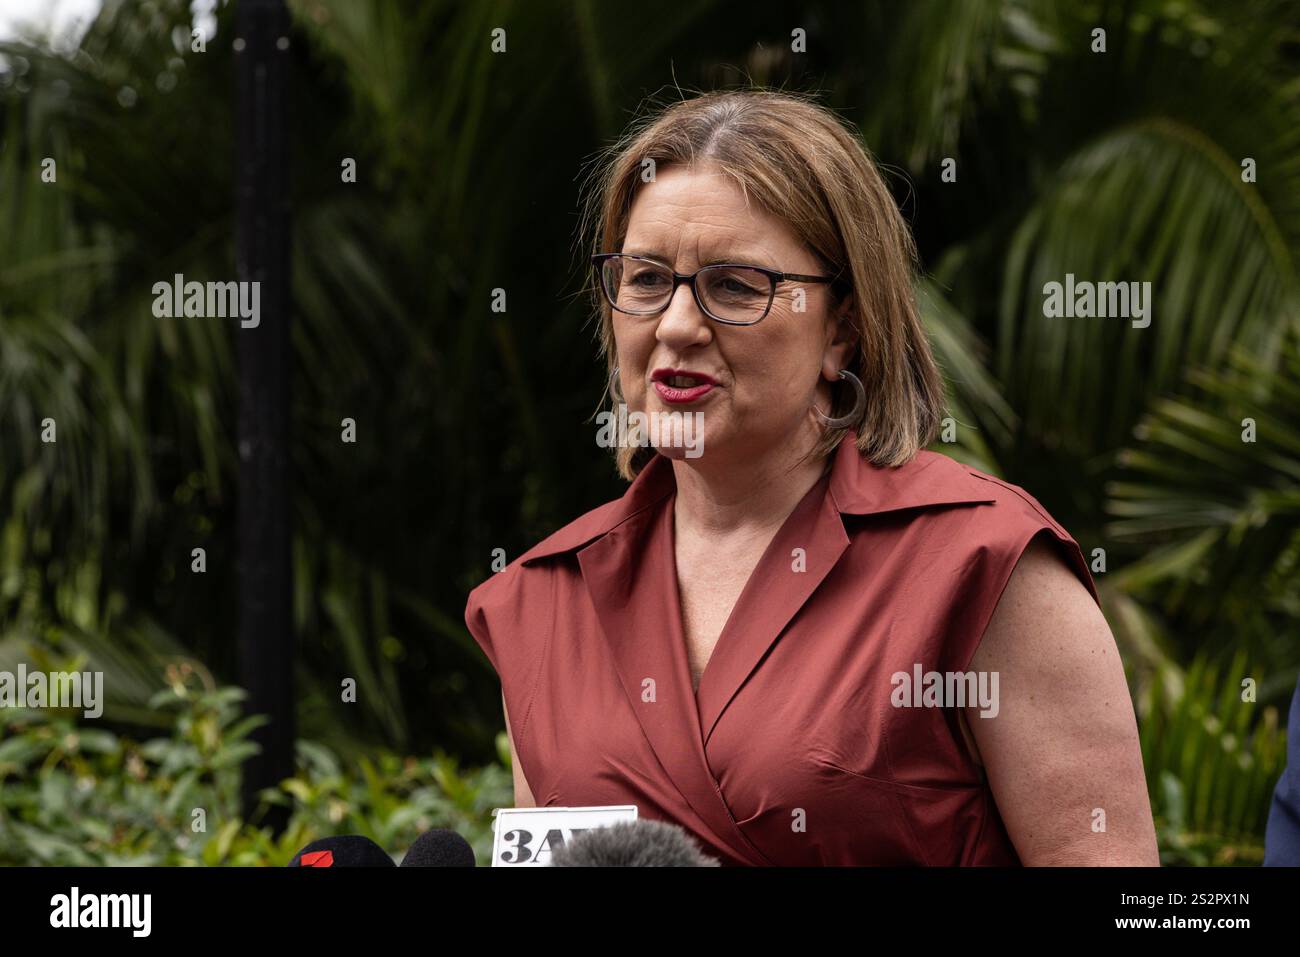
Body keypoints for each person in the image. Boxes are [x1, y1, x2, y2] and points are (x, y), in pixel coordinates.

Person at [464, 88, 1159, 866]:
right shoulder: (543, 599)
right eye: (647, 279)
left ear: (844, 328)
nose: (678, 325)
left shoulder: (984, 565)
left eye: (734, 286)